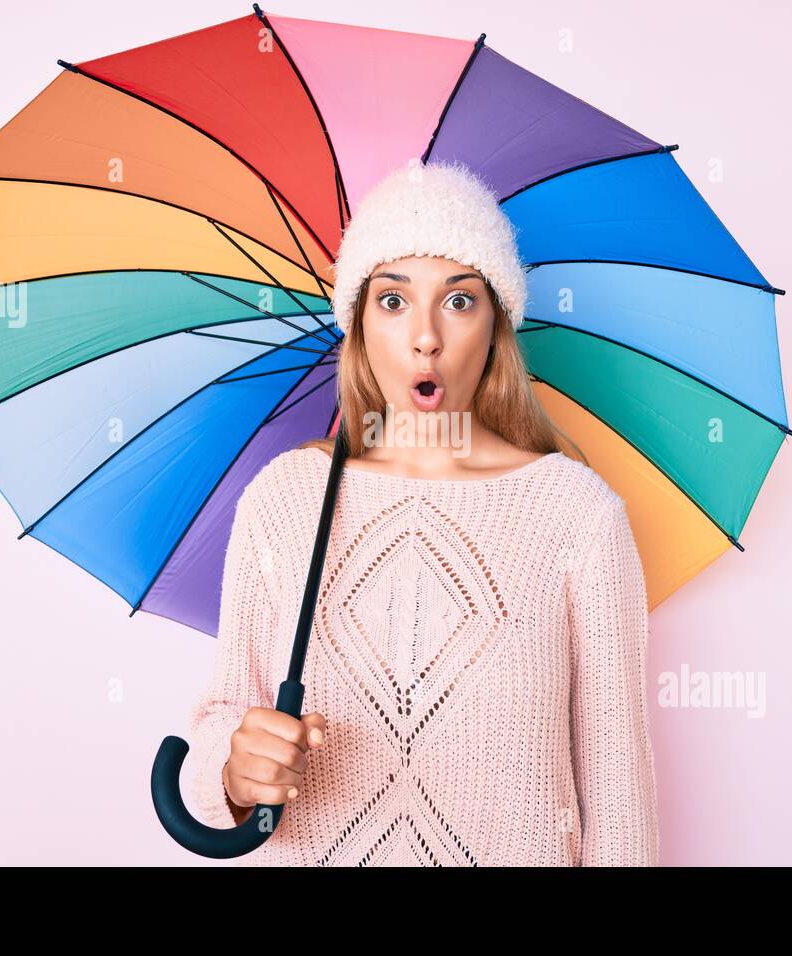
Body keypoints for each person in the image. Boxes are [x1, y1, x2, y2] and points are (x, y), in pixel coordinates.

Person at [187, 160, 658, 866]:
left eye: (460, 301)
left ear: (496, 325)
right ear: (358, 324)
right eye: (394, 300)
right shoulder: (286, 499)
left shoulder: (576, 515)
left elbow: (619, 805)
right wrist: (233, 770)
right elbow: (217, 734)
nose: (426, 336)